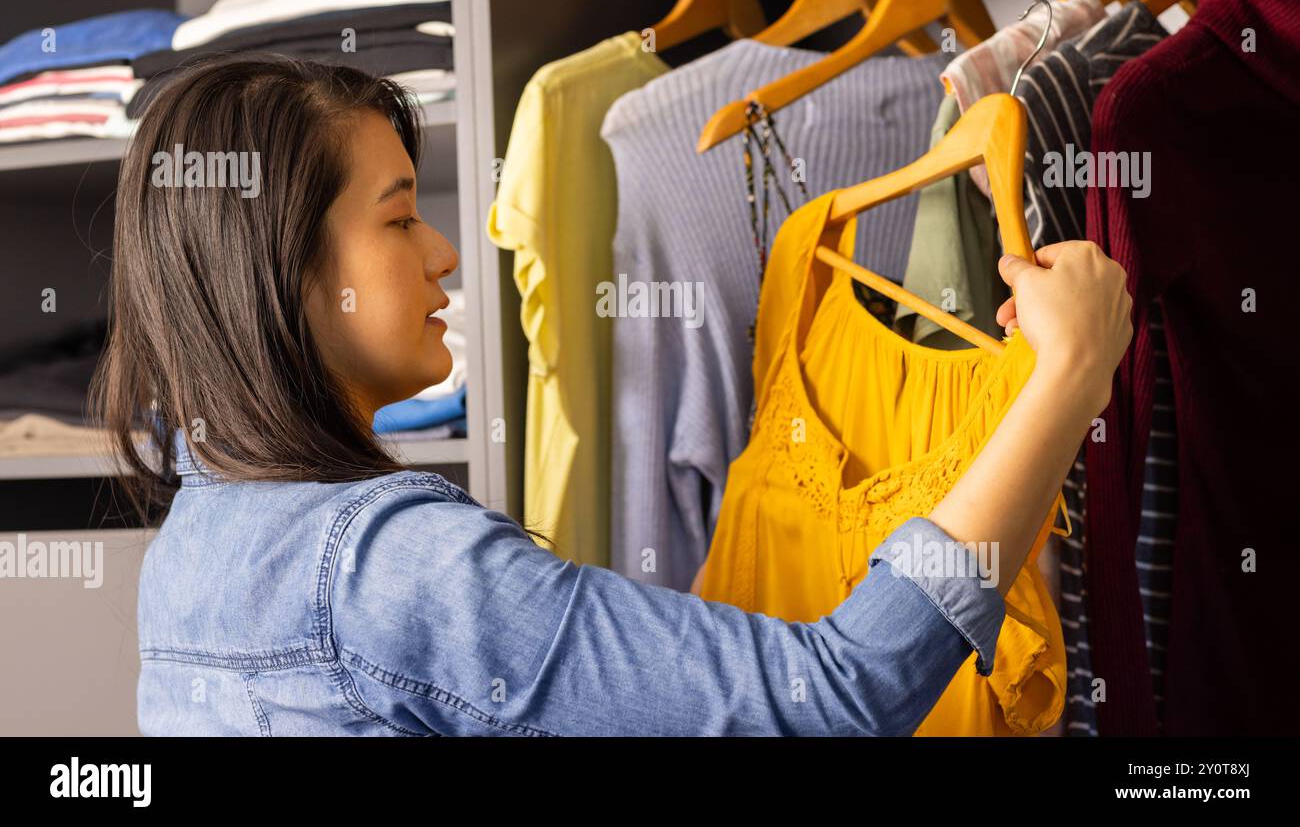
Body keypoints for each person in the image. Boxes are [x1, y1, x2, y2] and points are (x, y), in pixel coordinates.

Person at [95, 55, 1131, 736]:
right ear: (288, 271)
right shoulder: (391, 567)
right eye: (401, 218)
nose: (447, 254)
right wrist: (1066, 380)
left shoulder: (197, 539)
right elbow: (836, 706)